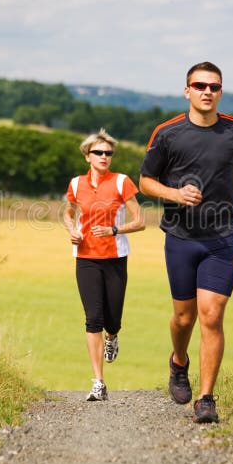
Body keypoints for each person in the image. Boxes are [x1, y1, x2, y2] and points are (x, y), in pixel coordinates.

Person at [139, 61, 233, 423]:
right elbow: (145, 182)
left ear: (221, 92)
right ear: (187, 90)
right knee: (183, 316)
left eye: (214, 86)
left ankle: (206, 399)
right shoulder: (167, 133)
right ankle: (179, 361)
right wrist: (175, 194)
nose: (207, 91)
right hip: (181, 238)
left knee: (212, 314)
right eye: (200, 85)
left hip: (221, 238)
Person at [63, 128, 145, 401]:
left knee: (113, 319)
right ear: (87, 156)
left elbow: (140, 221)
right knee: (93, 319)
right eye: (98, 152)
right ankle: (98, 382)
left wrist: (114, 230)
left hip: (115, 258)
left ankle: (113, 337)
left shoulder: (122, 182)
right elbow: (68, 213)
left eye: (108, 153)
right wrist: (71, 230)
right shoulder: (76, 184)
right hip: (86, 258)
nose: (104, 156)